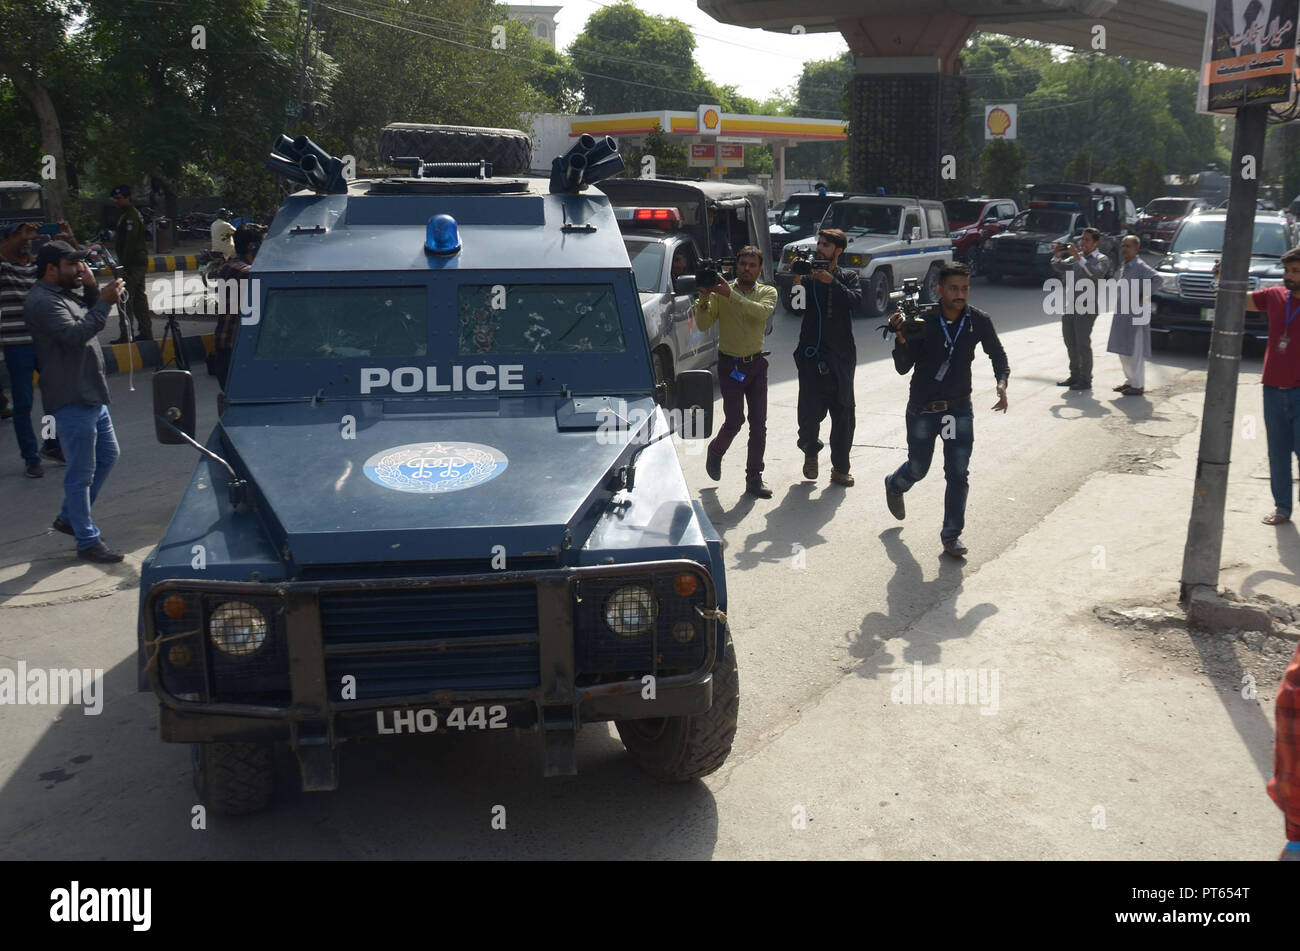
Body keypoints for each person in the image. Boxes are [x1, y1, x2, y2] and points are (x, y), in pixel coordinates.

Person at [884, 262, 1009, 558]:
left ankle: (951, 536)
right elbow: (903, 367)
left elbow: (997, 353)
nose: (959, 294)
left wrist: (1001, 383)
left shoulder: (978, 320)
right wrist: (901, 335)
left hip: (958, 409)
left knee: (957, 473)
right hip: (924, 409)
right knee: (919, 468)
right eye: (953, 288)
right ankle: (895, 484)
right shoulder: (923, 319)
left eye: (964, 288)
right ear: (940, 290)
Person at [24, 240, 126, 563]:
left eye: (81, 265)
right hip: (71, 396)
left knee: (109, 455)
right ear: (51, 269)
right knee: (80, 473)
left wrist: (96, 292)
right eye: (73, 265)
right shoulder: (42, 301)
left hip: (91, 394)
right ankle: (86, 539)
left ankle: (71, 517)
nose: (80, 271)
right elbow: (75, 334)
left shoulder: (62, 294)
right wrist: (105, 303)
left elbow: (86, 317)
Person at [1221, 246, 1300, 524]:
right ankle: (1282, 508)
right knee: (1277, 453)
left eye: (1296, 271)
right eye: (1287, 270)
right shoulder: (1276, 296)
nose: (1289, 276)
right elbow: (1241, 300)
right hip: (1272, 389)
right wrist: (1223, 279)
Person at [694, 245, 777, 498]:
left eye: (752, 265)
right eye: (743, 264)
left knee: (759, 426)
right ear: (736, 266)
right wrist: (705, 296)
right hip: (730, 365)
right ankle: (716, 451)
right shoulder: (720, 292)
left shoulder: (767, 292)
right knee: (734, 420)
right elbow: (703, 323)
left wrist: (730, 295)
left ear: (760, 269)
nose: (747, 269)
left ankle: (754, 479)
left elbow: (760, 313)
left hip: (756, 365)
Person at [793, 228, 862, 485]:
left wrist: (831, 281)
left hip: (842, 356)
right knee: (809, 412)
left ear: (838, 251)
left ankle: (840, 468)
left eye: (826, 245)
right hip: (811, 354)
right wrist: (799, 280)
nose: (819, 248)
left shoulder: (849, 276)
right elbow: (796, 307)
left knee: (844, 413)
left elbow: (856, 301)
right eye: (819, 243)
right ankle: (810, 452)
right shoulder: (807, 278)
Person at [1, 219, 69, 476]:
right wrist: (18, 236)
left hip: (44, 342)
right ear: (8, 240)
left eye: (30, 238)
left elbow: (68, 263)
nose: (28, 241)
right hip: (17, 346)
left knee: (53, 400)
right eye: (22, 237)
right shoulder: (5, 268)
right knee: (23, 404)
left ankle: (51, 444)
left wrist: (67, 239)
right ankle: (30, 457)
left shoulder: (37, 268)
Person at [1050, 227, 1109, 391]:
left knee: (1082, 343)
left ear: (1096, 243)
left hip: (1087, 307)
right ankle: (1074, 375)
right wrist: (1057, 254)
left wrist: (1078, 258)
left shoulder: (1101, 259)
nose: (1083, 243)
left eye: (1087, 240)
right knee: (1070, 342)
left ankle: (1085, 379)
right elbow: (1059, 266)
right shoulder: (1077, 258)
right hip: (1071, 306)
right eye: (1082, 239)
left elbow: (1096, 273)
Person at [1106, 234, 1163, 396]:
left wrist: (1143, 294)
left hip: (1136, 317)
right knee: (1123, 352)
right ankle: (1130, 381)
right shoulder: (1126, 265)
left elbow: (1158, 279)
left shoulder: (1139, 266)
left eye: (1128, 246)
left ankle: (1138, 385)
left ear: (1136, 249)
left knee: (1135, 352)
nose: (1124, 249)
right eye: (1123, 246)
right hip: (1123, 316)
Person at [212, 224, 261, 390]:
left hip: (224, 345)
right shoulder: (247, 273)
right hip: (238, 349)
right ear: (252, 246)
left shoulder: (228, 266)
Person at [110, 184, 153, 343]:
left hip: (133, 263)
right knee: (139, 298)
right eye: (115, 199)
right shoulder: (127, 215)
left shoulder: (131, 217)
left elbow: (130, 244)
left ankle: (126, 334)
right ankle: (145, 331)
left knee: (125, 297)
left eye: (119, 198)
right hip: (136, 261)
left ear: (128, 198)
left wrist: (124, 267)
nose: (117, 201)